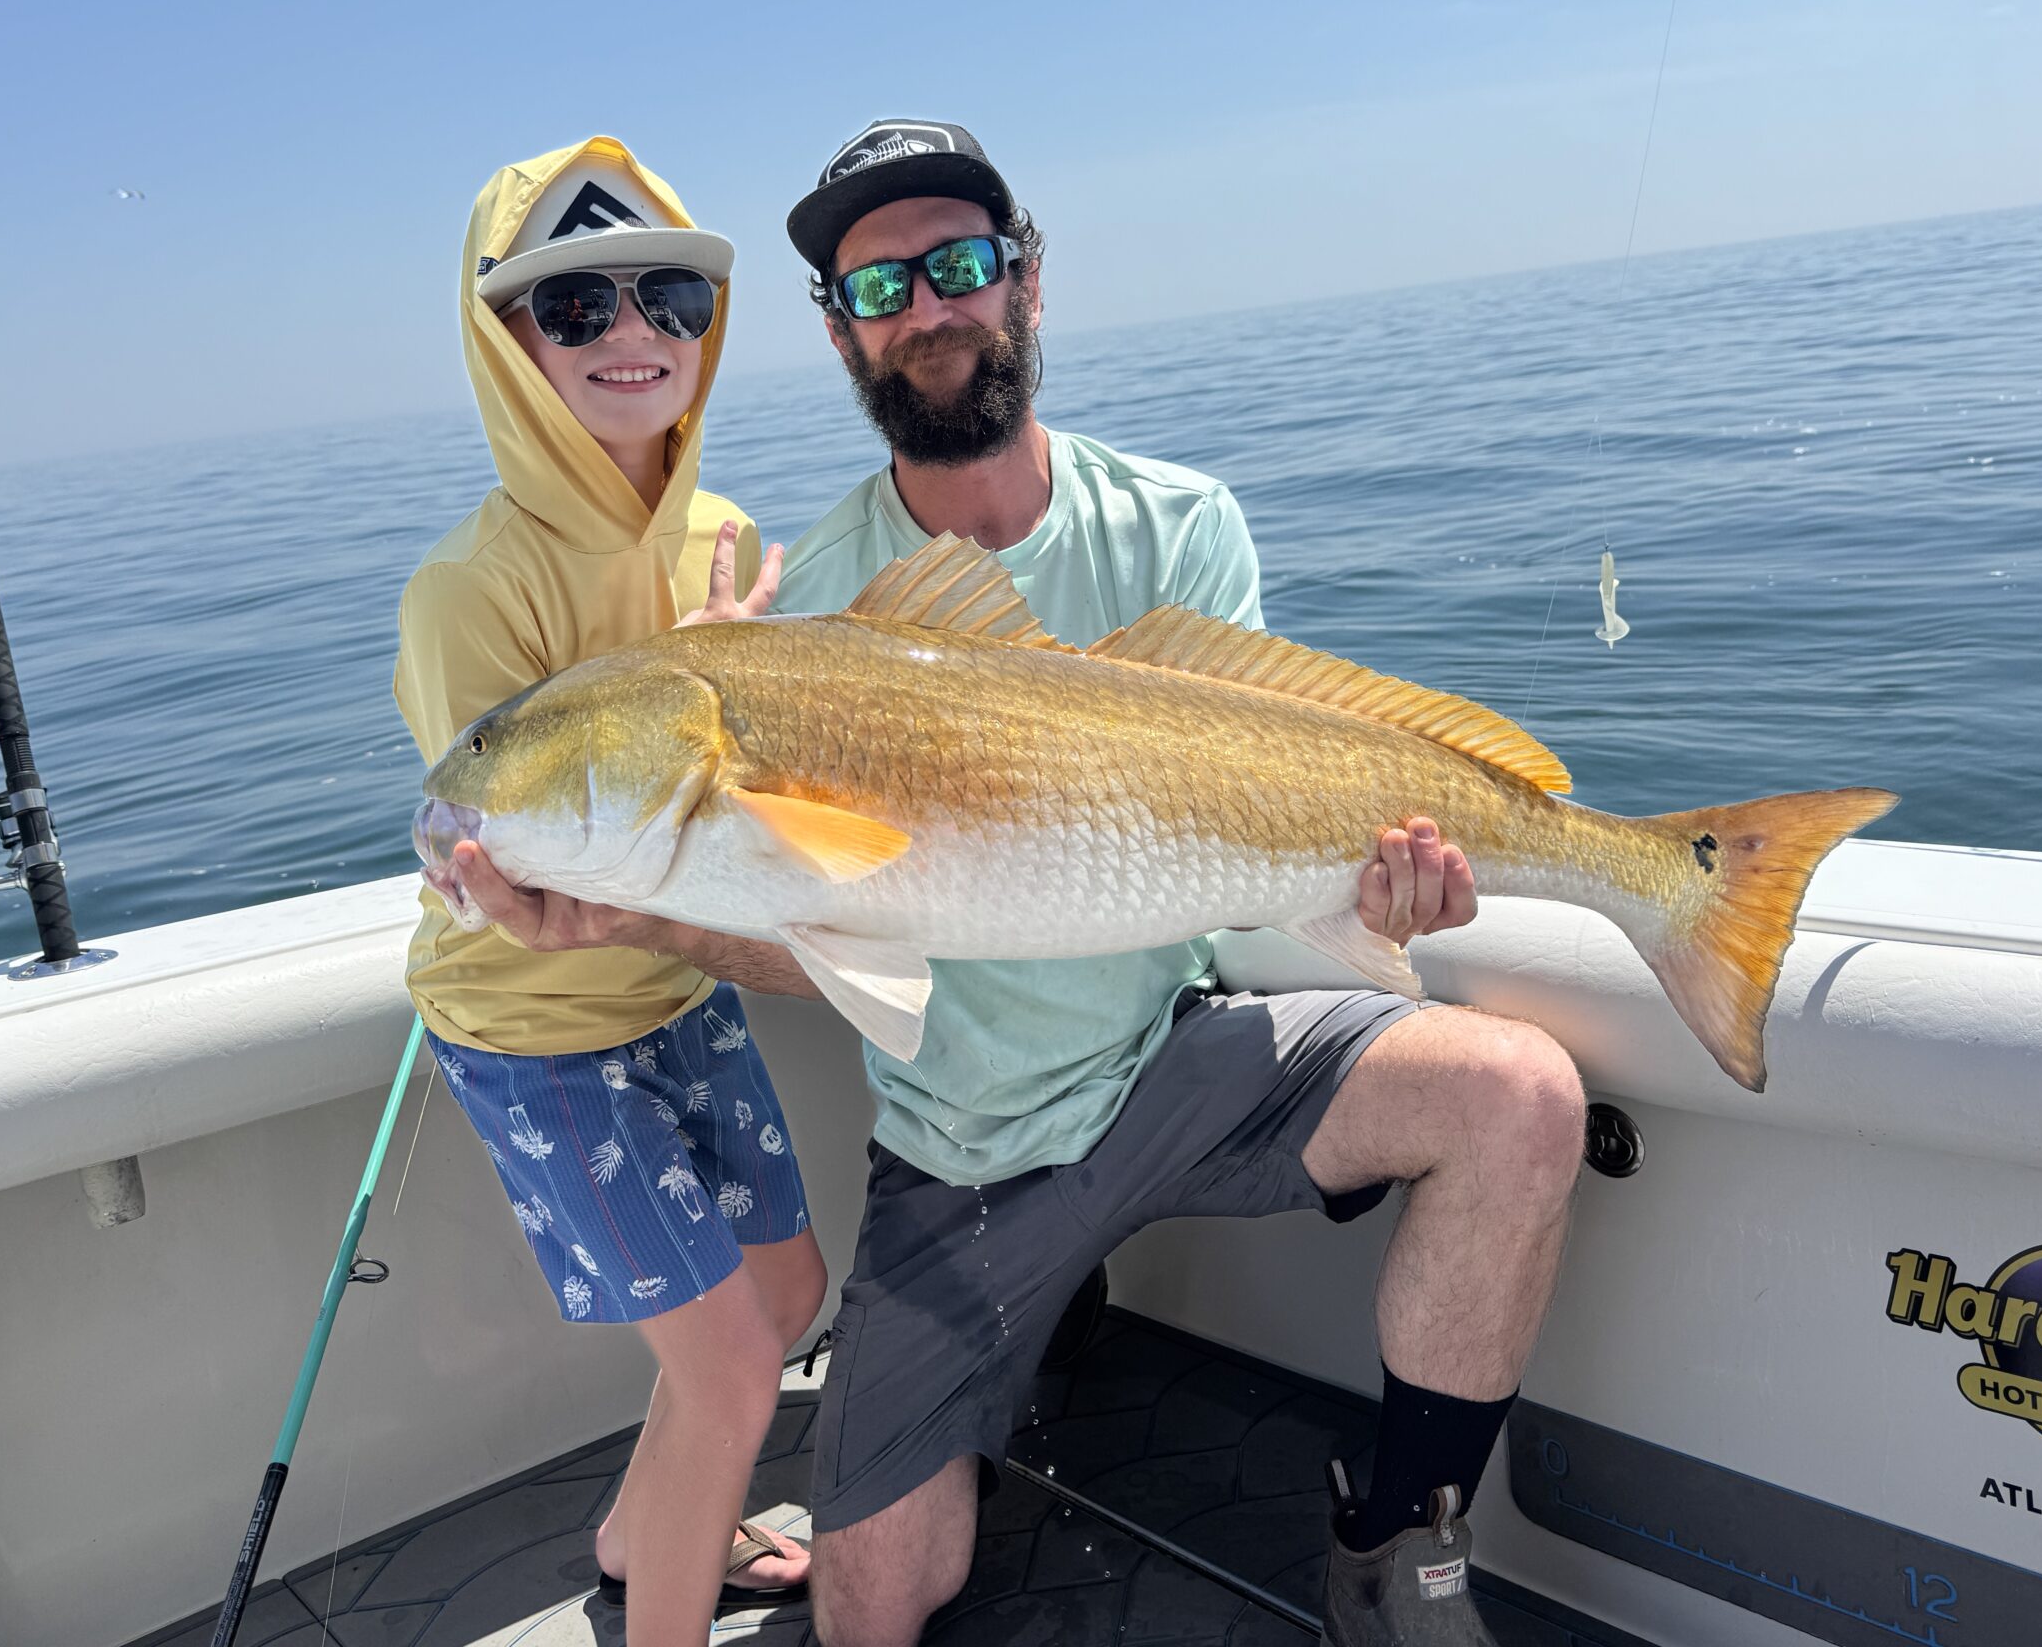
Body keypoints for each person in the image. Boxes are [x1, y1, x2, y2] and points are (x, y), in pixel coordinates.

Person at [459, 121, 1587, 1647]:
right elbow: (836, 945)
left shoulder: (1179, 525)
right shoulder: (817, 609)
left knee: (1520, 1094)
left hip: (1175, 1057)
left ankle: (1400, 1557)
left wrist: (1375, 891)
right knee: (870, 1609)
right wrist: (635, 912)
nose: (926, 309)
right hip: (964, 1149)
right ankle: (1036, 1326)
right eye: (878, 291)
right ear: (842, 333)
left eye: (959, 266)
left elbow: (1250, 823)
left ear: (1025, 281)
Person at [393, 136, 823, 1647]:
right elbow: (483, 867)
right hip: (533, 1035)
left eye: (665, 297)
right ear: (507, 348)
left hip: (675, 990)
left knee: (788, 1295)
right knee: (726, 1373)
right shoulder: (472, 588)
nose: (632, 332)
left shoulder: (729, 542)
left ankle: (643, 1540)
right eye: (573, 309)